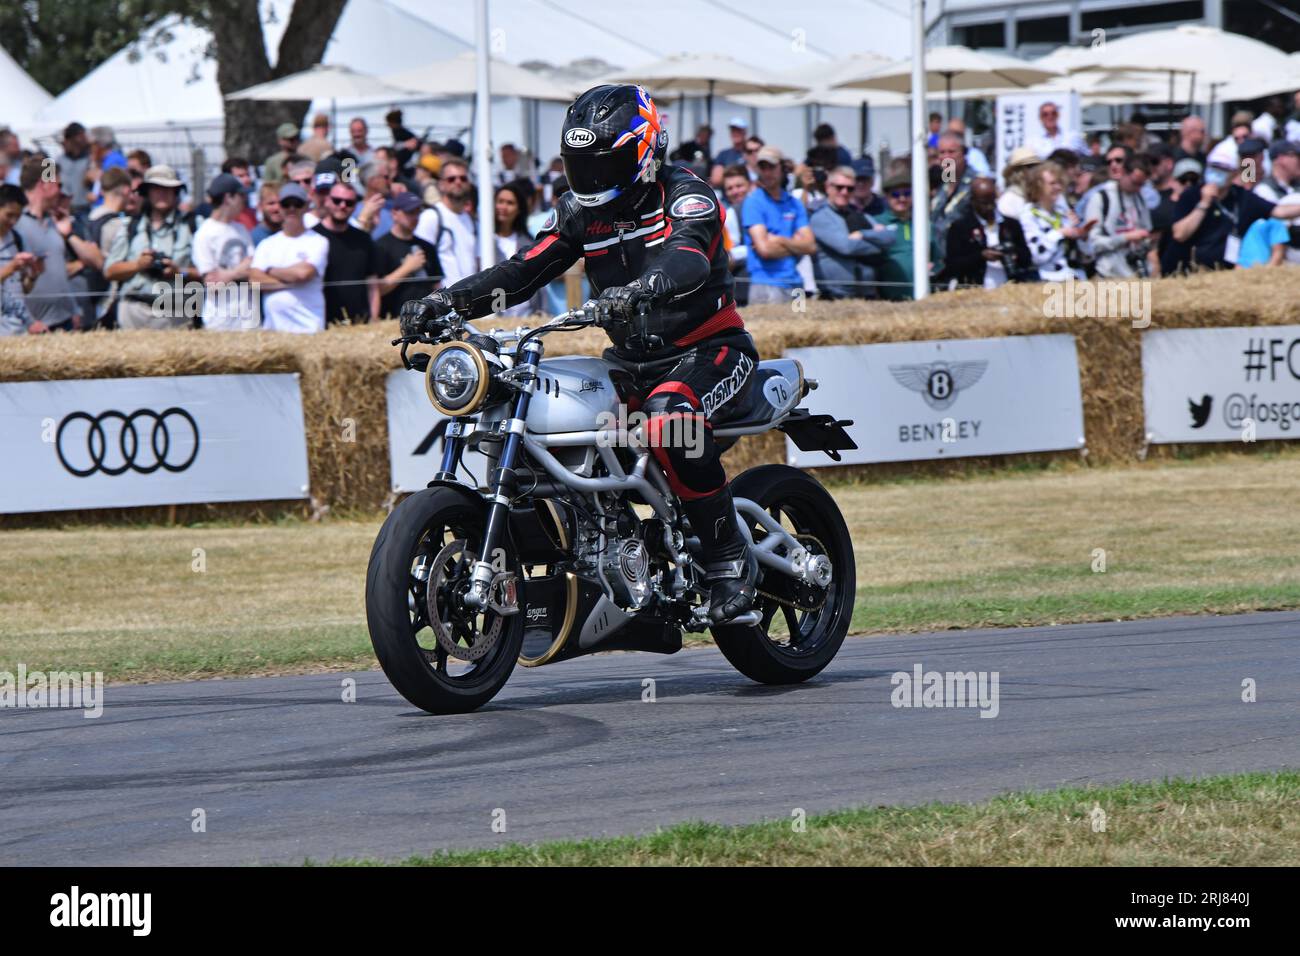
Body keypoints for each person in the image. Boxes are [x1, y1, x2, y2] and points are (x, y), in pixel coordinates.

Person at [397, 84, 761, 624]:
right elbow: (522, 270)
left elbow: (689, 256)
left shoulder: (687, 194)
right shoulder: (577, 212)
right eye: (581, 164)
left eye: (605, 163)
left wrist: (646, 286)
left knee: (668, 421)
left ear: (642, 151)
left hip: (711, 349)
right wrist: (444, 300)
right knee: (545, 401)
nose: (591, 177)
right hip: (631, 363)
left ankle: (730, 558)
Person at [103, 164, 195, 329]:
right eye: (156, 188)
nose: (162, 193)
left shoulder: (192, 226)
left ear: (176, 192)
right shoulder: (130, 227)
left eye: (168, 188)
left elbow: (208, 274)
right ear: (147, 192)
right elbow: (110, 271)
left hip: (175, 314)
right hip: (134, 311)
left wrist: (179, 272)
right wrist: (138, 265)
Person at [1170, 157, 1300, 270]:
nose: (1216, 173)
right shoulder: (1191, 195)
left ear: (1233, 173)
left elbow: (1279, 211)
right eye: (1214, 167)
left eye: (1223, 169)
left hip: (1229, 272)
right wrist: (1203, 204)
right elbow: (1180, 234)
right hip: (1192, 271)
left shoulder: (1241, 196)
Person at [248, 183, 329, 333]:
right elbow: (254, 280)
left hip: (309, 328)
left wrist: (269, 270)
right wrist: (290, 282)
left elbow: (303, 274)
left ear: (305, 207)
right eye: (286, 204)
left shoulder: (318, 241)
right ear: (280, 207)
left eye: (297, 204)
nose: (292, 209)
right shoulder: (267, 244)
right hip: (274, 330)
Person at [741, 145, 815, 304]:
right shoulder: (753, 202)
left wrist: (780, 241)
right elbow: (765, 250)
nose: (767, 173)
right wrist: (796, 245)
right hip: (765, 285)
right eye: (762, 167)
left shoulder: (794, 203)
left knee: (802, 329)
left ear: (782, 168)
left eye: (772, 167)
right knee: (766, 330)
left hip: (796, 286)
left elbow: (811, 247)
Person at [16, 157, 83, 331]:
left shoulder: (54, 222)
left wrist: (73, 308)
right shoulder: (16, 224)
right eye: (58, 185)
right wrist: (29, 321)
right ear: (44, 183)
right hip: (35, 327)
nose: (61, 192)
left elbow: (59, 270)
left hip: (64, 321)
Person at [810, 165, 893, 299]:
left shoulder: (860, 216)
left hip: (866, 294)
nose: (844, 192)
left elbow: (889, 238)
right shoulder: (820, 217)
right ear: (828, 187)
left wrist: (863, 234)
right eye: (839, 187)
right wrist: (877, 245)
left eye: (850, 188)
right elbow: (846, 247)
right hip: (835, 296)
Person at [191, 173, 255, 330]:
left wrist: (226, 274)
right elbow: (212, 283)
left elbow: (254, 267)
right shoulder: (205, 234)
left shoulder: (241, 229)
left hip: (248, 319)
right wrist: (239, 270)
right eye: (241, 196)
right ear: (228, 198)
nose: (244, 201)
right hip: (220, 321)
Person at [943, 177, 1032, 289]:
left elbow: (1027, 259)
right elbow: (952, 265)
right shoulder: (960, 228)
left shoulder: (1011, 225)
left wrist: (1013, 253)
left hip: (1009, 288)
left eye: (992, 202)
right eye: (984, 203)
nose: (989, 207)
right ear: (973, 201)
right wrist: (981, 256)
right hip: (974, 289)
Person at [313, 179, 378, 323]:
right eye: (337, 200)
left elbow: (372, 285)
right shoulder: (311, 237)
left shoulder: (364, 239)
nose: (343, 206)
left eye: (349, 203)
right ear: (327, 201)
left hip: (360, 323)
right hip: (323, 323)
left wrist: (374, 320)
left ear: (355, 206)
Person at [1019, 162, 1094, 281]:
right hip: (1045, 279)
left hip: (1073, 277)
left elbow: (1088, 256)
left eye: (1059, 183)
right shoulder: (1028, 214)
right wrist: (1061, 233)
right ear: (1037, 186)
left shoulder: (1063, 212)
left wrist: (1082, 236)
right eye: (1052, 183)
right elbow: (1036, 256)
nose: (1058, 187)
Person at [1085, 153, 1156, 278]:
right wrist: (1125, 238)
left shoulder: (1140, 198)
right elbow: (1093, 244)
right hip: (1109, 272)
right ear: (1123, 172)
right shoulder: (1101, 198)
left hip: (1136, 271)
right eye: (1135, 183)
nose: (1138, 188)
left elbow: (1147, 232)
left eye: (1142, 184)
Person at [375, 191, 442, 319]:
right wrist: (407, 268)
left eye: (418, 212)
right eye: (410, 212)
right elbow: (378, 289)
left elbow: (436, 287)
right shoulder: (380, 246)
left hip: (426, 318)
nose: (415, 217)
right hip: (394, 318)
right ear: (394, 213)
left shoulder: (427, 247)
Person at [415, 156, 478, 284]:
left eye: (463, 178)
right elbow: (421, 262)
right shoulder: (431, 217)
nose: (458, 182)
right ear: (441, 185)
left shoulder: (473, 221)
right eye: (451, 179)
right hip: (443, 299)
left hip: (471, 298)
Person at [0, 183, 40, 335]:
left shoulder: (17, 239)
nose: (13, 221)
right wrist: (11, 268)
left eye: (17, 216)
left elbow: (22, 290)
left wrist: (33, 275)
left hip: (17, 329)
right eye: (9, 215)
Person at [56, 123, 93, 221]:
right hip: (64, 209)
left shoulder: (91, 160)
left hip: (85, 209)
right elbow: (47, 181)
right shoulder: (58, 160)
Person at [709, 117, 748, 186]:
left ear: (744, 132)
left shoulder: (751, 152)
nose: (735, 133)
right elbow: (716, 179)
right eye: (733, 131)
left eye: (738, 130)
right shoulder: (723, 155)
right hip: (728, 195)